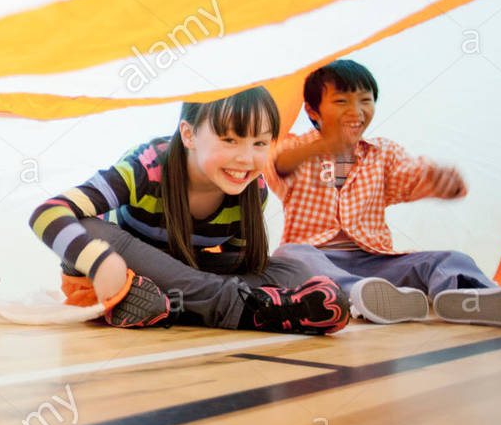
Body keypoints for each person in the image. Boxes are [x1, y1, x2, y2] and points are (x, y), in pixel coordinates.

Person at [29, 86, 349, 334]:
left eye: (260, 144)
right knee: (90, 228)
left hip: (180, 274)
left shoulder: (254, 193)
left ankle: (170, 307)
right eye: (230, 140)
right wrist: (98, 261)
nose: (246, 159)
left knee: (295, 271)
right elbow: (47, 212)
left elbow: (242, 270)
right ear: (189, 134)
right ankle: (234, 308)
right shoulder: (147, 166)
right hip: (116, 272)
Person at [268, 58, 501, 327]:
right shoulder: (295, 150)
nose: (356, 111)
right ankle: (360, 294)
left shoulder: (382, 153)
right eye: (341, 102)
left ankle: (474, 298)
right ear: (313, 111)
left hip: (376, 262)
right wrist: (324, 145)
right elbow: (280, 163)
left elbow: (410, 176)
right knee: (289, 255)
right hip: (317, 259)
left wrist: (438, 180)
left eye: (365, 100)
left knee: (451, 259)